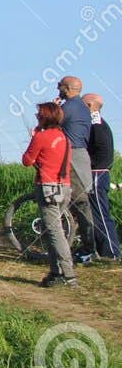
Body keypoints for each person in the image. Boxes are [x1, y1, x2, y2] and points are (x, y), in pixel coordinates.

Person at [22, 101, 77, 287]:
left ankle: (69, 275)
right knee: (54, 229)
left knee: (55, 232)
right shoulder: (65, 138)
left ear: (44, 117)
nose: (37, 116)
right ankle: (56, 272)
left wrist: (35, 135)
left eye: (39, 115)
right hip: (65, 187)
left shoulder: (41, 137)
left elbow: (27, 160)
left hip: (47, 187)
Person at [56, 76, 96, 260]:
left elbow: (50, 125)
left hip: (72, 157)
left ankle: (87, 247)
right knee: (78, 203)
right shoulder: (82, 107)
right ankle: (82, 244)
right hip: (81, 155)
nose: (58, 88)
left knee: (78, 202)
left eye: (60, 86)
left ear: (68, 88)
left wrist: (53, 108)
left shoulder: (69, 107)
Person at [82, 92, 118, 260]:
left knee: (100, 215)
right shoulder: (98, 122)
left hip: (96, 173)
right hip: (98, 172)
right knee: (95, 214)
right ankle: (98, 249)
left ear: (89, 106)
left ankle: (111, 253)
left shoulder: (95, 124)